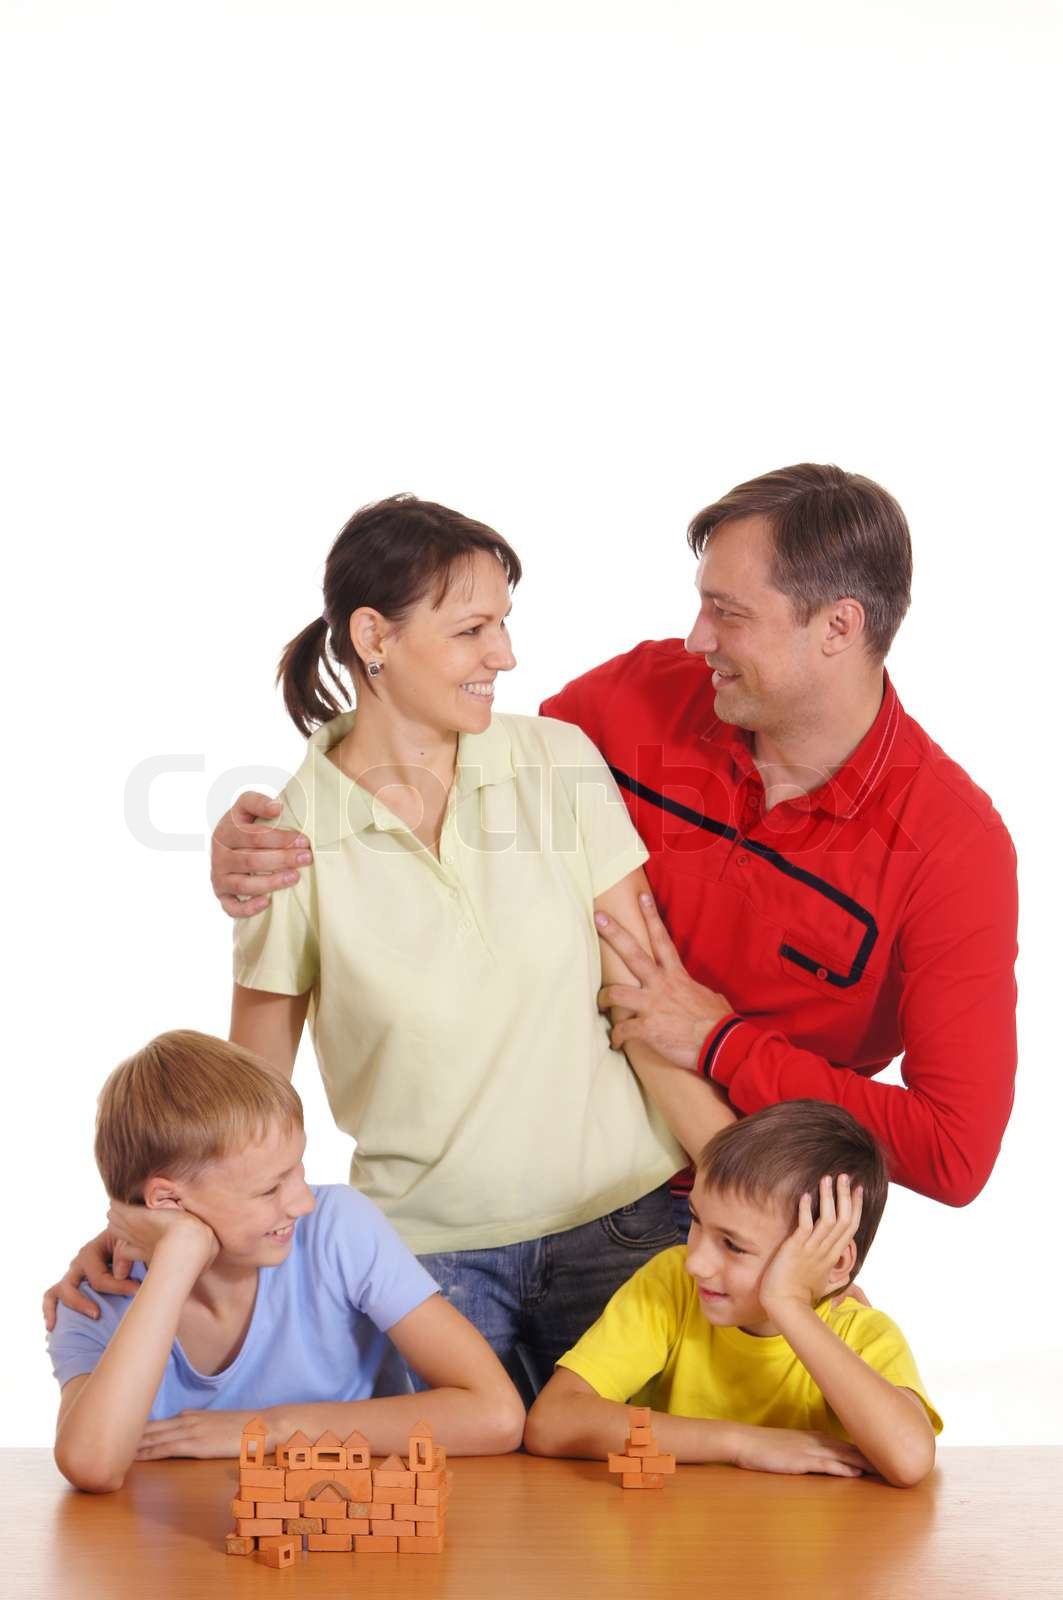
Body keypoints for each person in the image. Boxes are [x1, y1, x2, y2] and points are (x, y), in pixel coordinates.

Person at [202, 465, 1018, 1207]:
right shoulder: (636, 699)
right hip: (533, 1183)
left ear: (837, 627)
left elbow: (952, 1152)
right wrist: (275, 835)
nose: (696, 638)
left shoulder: (953, 848)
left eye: (727, 614)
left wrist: (722, 1043)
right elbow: (441, 746)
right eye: (701, 603)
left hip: (737, 1203)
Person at [45, 496, 709, 1400]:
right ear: (374, 637)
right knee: (444, 1530)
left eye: (504, 625)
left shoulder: (558, 761)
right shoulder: (286, 840)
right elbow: (251, 1096)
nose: (505, 656)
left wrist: (749, 1191)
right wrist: (143, 1222)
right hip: (424, 1266)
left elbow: (648, 1001)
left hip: (623, 1232)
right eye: (473, 629)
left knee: (656, 1519)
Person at [48, 1030, 525, 1493]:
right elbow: (92, 1465)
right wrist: (177, 1259)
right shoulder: (95, 1298)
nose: (301, 1203)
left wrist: (273, 1427)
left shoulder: (338, 1230)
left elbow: (496, 1414)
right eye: (269, 1188)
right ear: (169, 1203)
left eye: (298, 1170)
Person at [523, 1100, 941, 1489]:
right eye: (696, 1220)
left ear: (834, 1263)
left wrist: (788, 1304)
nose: (696, 1263)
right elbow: (552, 1422)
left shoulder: (862, 1335)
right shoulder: (672, 1286)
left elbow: (909, 1459)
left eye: (734, 1245)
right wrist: (743, 1443)